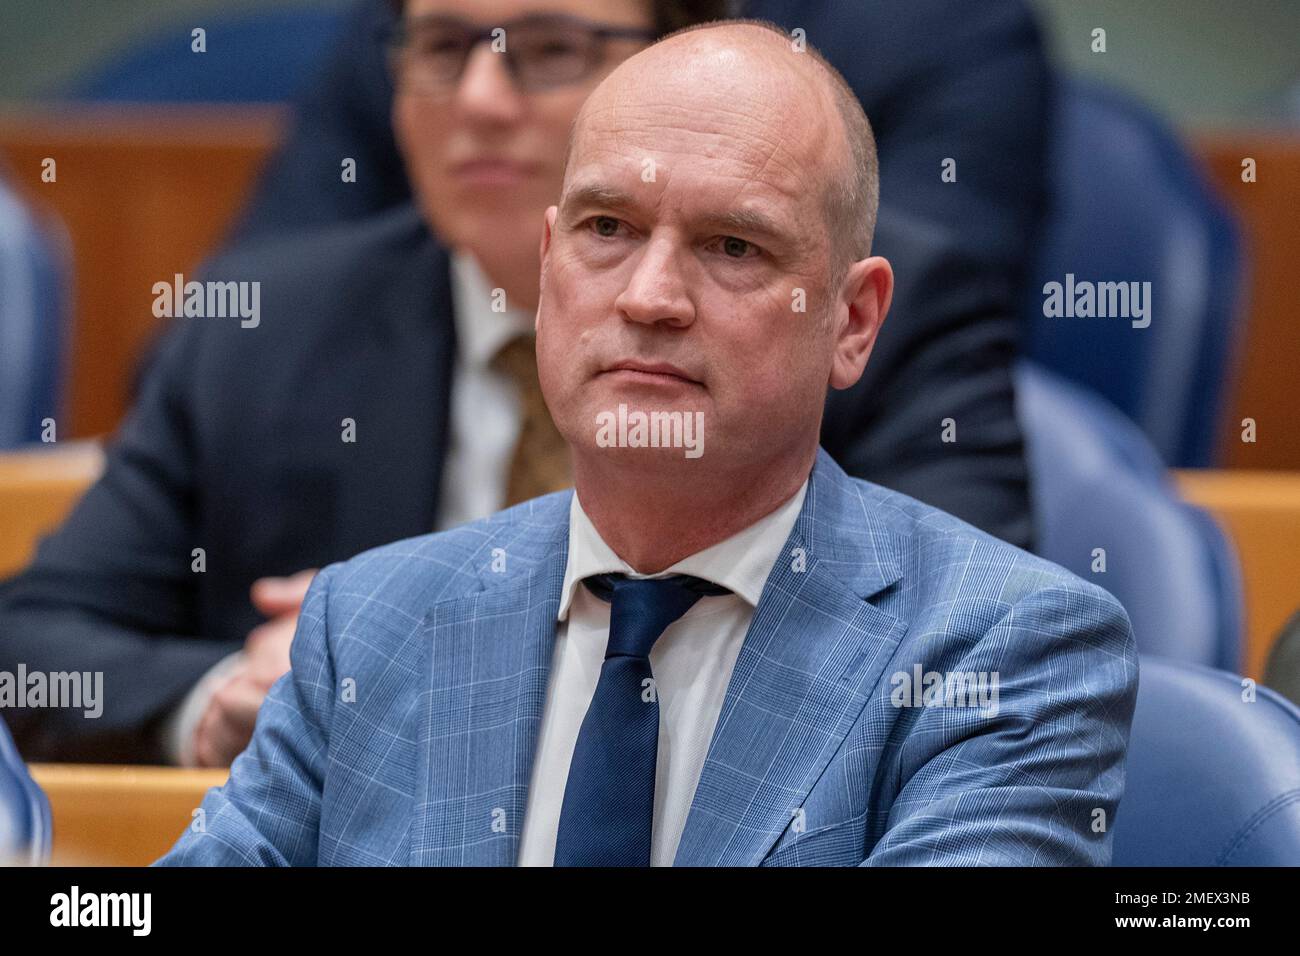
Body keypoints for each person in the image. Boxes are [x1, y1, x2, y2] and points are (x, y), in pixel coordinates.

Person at [157, 21, 1137, 867]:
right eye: (607, 228)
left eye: (732, 247)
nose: (649, 298)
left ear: (852, 319)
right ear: (548, 269)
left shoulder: (1007, 651)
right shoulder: (365, 622)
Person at [0, 0, 1043, 767]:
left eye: (546, 50)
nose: (481, 99)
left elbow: (962, 664)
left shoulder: (840, 305)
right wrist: (232, 695)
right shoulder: (263, 324)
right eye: (444, 47)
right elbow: (34, 646)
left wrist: (415, 663)